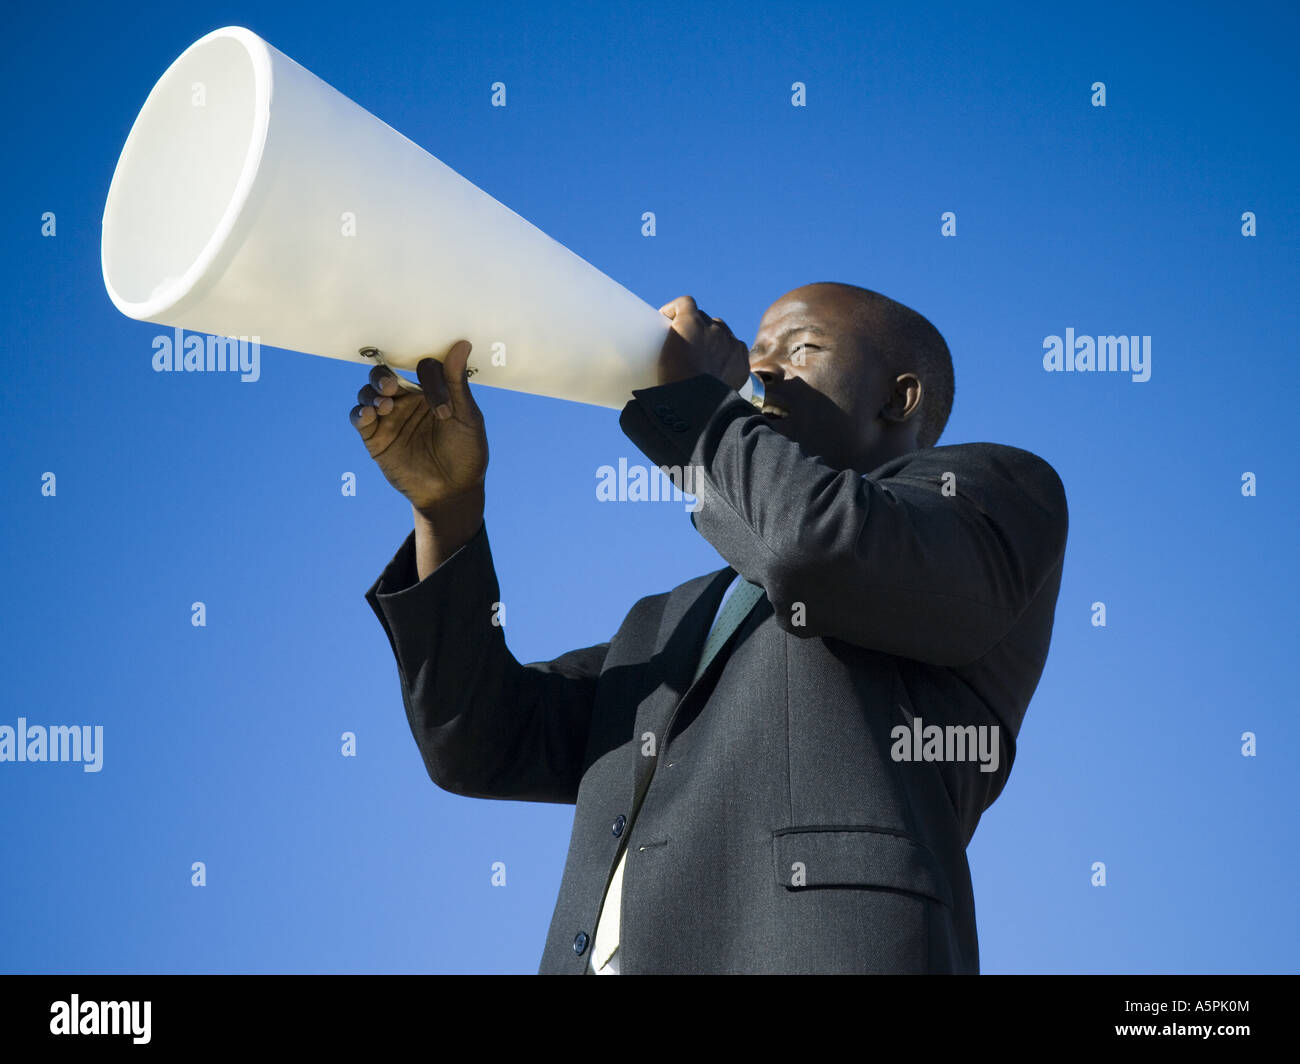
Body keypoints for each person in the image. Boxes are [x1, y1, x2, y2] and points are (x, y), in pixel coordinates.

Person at [351, 281, 1069, 974]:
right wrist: (447, 513)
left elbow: (812, 547)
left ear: (898, 396)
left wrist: (690, 399)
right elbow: (478, 743)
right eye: (756, 350)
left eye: (801, 348)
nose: (761, 368)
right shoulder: (668, 621)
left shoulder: (996, 493)